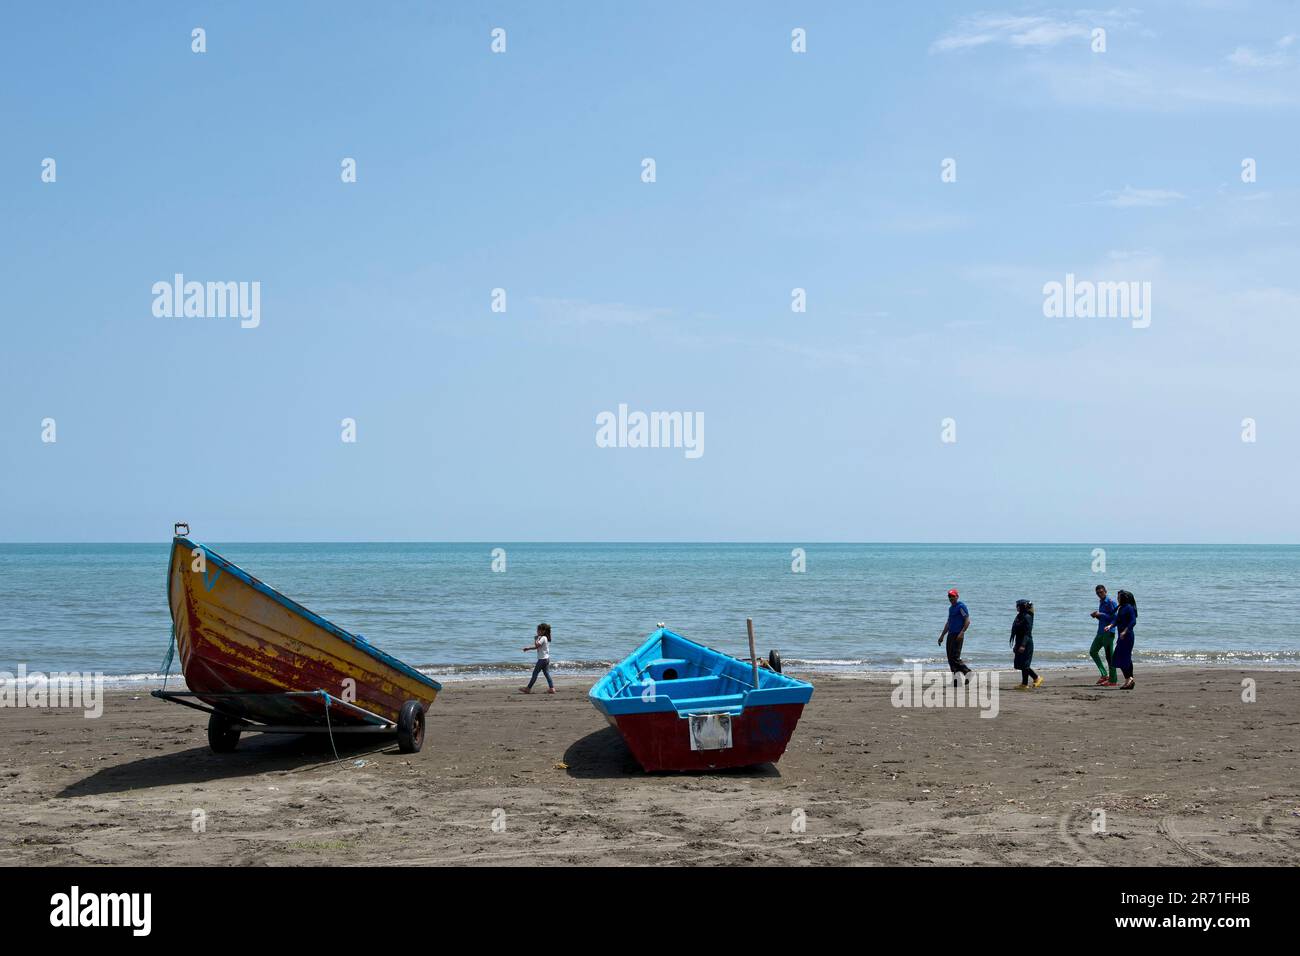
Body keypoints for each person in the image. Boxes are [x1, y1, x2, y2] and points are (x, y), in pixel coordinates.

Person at [938, 588, 972, 685]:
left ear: (957, 596)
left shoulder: (961, 606)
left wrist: (962, 632)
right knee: (950, 658)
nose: (951, 598)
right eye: (949, 596)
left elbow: (967, 620)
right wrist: (942, 636)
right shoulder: (951, 608)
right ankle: (956, 680)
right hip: (950, 634)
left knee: (955, 657)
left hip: (958, 634)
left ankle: (967, 672)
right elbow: (948, 623)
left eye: (953, 596)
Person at [1089, 584, 1118, 687]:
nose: (1099, 594)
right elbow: (1104, 618)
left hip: (1109, 632)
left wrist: (1100, 614)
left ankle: (1113, 680)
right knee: (1092, 651)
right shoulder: (1101, 602)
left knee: (1109, 657)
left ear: (1105, 591)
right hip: (1100, 632)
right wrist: (1096, 616)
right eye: (1097, 593)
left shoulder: (1111, 602)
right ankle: (1104, 674)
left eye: (1101, 592)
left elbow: (1114, 618)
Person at [1011, 599, 1042, 689]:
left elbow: (1027, 633)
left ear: (1023, 607)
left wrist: (1023, 645)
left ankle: (1035, 679)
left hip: (1026, 643)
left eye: (1018, 606)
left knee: (1025, 664)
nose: (1016, 607)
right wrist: (1016, 645)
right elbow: (1017, 632)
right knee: (1020, 664)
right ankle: (1026, 683)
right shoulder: (1020, 616)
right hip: (1020, 642)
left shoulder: (1027, 617)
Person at [519, 623, 555, 694]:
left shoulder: (543, 638)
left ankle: (528, 688)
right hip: (546, 659)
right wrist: (528, 648)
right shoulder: (545, 638)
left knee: (535, 674)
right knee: (546, 674)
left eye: (538, 630)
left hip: (542, 660)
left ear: (543, 631)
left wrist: (536, 639)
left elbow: (537, 645)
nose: (537, 631)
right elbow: (537, 647)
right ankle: (552, 688)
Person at [1113, 591, 1137, 690]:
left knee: (1122, 658)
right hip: (1121, 636)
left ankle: (1129, 679)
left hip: (1127, 636)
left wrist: (1124, 631)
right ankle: (1129, 680)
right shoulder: (1121, 608)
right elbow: (1117, 620)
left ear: (1124, 598)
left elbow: (1133, 621)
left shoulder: (1129, 608)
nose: (1117, 598)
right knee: (1123, 658)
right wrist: (1110, 625)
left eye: (1119, 597)